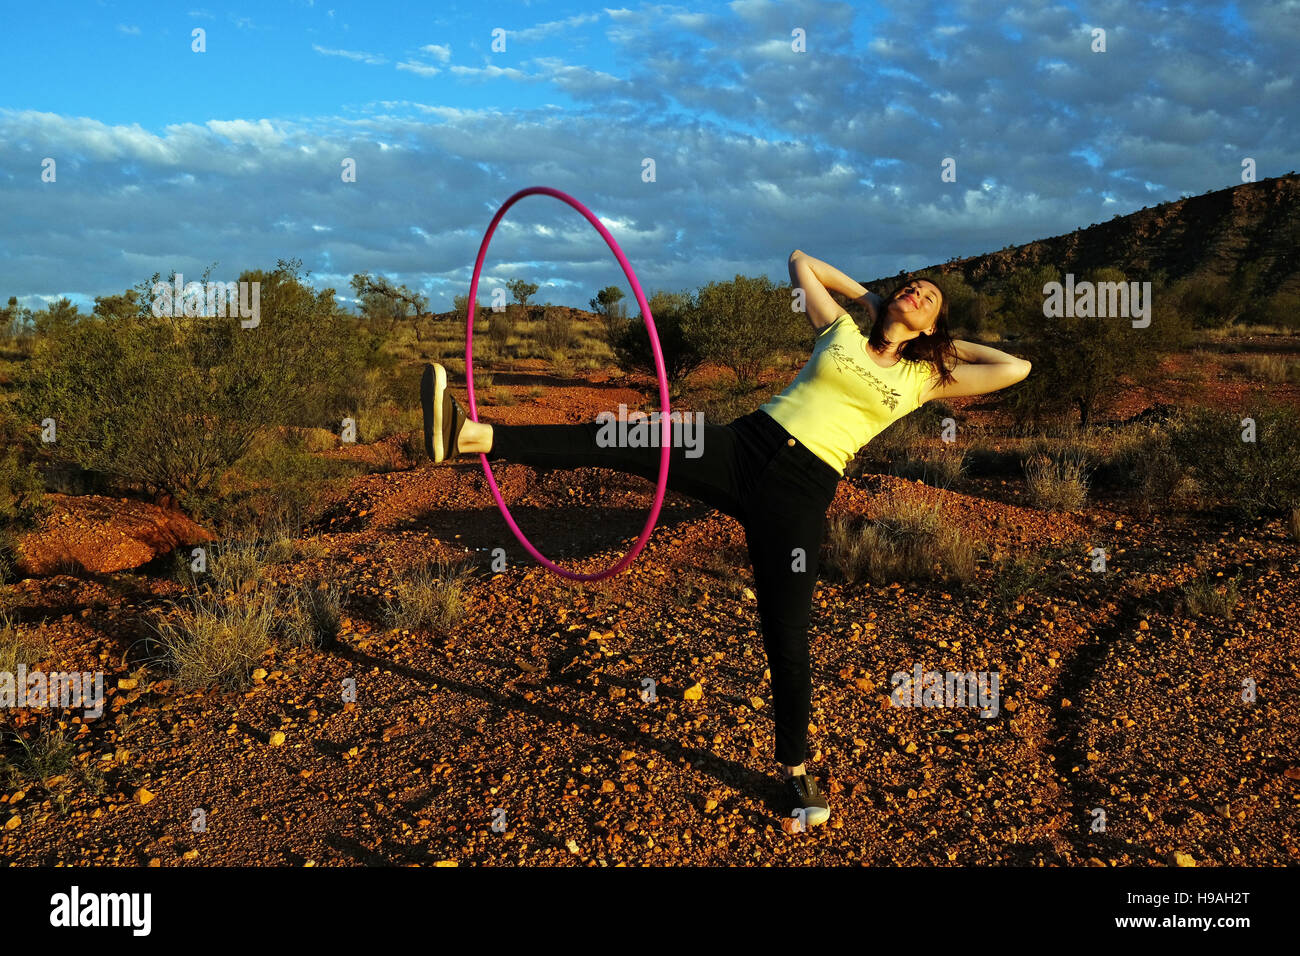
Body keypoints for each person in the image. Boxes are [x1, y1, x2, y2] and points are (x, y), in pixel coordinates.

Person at [421, 249, 1031, 827]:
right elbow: (800, 262)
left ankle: (795, 769)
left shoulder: (925, 378)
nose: (917, 292)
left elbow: (1015, 367)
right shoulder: (841, 330)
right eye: (912, 286)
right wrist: (870, 298)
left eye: (928, 297)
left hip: (801, 493)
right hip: (744, 446)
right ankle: (478, 437)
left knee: (787, 637)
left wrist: (941, 341)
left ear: (933, 327)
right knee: (626, 435)